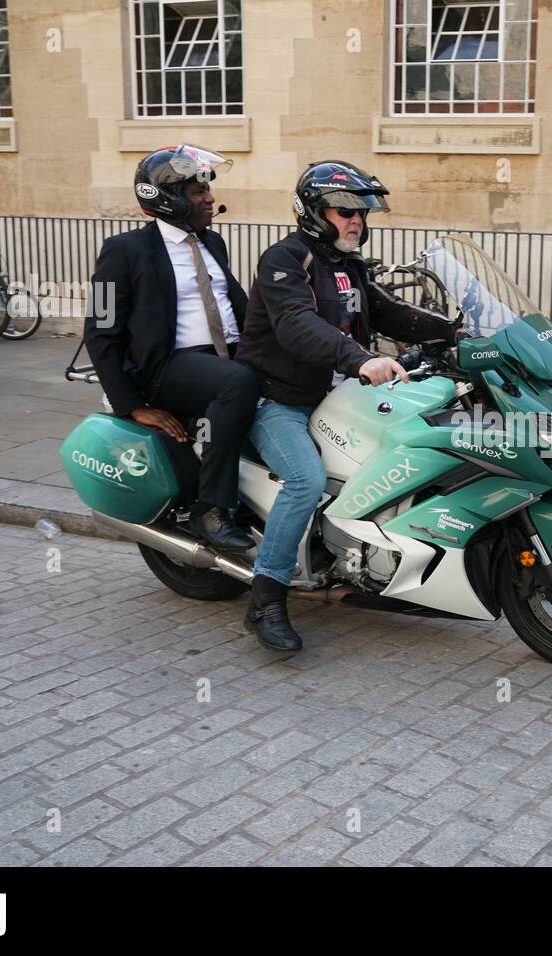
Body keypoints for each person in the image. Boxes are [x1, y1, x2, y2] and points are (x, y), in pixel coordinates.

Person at [236, 160, 457, 653]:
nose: (357, 221)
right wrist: (360, 358)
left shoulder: (347, 265)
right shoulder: (284, 260)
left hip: (343, 399)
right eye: (345, 211)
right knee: (305, 480)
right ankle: (266, 598)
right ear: (315, 212)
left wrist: (456, 332)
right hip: (281, 401)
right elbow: (296, 324)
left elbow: (389, 311)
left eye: (362, 212)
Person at [84, 144, 259, 550]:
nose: (210, 198)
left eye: (207, 190)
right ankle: (210, 508)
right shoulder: (124, 251)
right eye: (199, 192)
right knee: (238, 382)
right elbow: (100, 331)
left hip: (226, 358)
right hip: (171, 366)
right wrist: (132, 404)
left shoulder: (213, 243)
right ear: (168, 199)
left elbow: (238, 309)